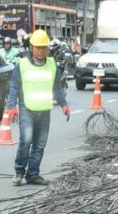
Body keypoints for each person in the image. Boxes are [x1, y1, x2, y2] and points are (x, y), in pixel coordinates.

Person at [5, 28, 70, 186]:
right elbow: (14, 87)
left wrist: (64, 104)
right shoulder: (22, 65)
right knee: (26, 141)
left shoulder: (52, 64)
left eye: (44, 47)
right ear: (31, 47)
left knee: (40, 144)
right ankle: (19, 171)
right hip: (27, 108)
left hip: (44, 110)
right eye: (38, 47)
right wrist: (11, 106)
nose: (41, 51)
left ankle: (33, 174)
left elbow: (57, 87)